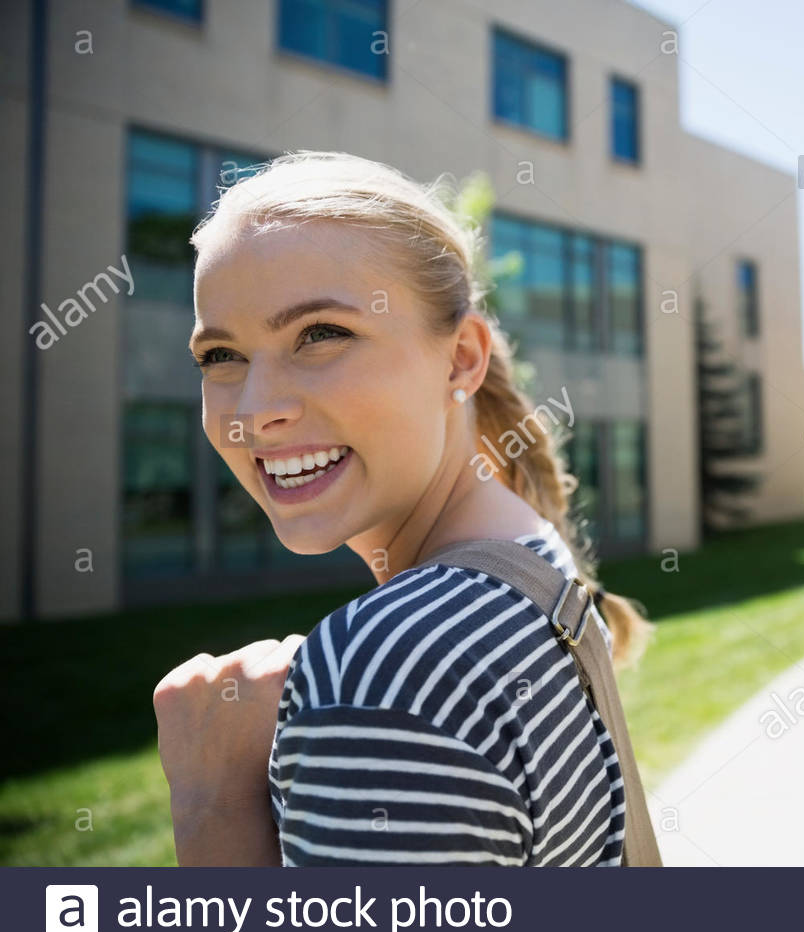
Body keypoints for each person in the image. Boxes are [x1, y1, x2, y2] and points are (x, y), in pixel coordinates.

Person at [151, 151, 652, 866]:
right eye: (221, 356)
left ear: (460, 359)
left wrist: (214, 804)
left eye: (320, 335)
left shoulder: (383, 675)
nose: (257, 412)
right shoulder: (530, 549)